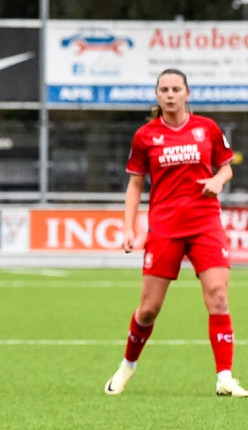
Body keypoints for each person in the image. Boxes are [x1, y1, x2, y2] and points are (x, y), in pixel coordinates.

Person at [104, 68, 246, 398]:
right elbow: (135, 184)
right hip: (165, 227)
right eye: (164, 90)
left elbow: (226, 167)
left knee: (218, 295)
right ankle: (128, 365)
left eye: (176, 89)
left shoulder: (207, 128)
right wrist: (128, 226)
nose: (170, 95)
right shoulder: (145, 136)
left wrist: (217, 180)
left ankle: (225, 377)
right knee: (148, 308)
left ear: (187, 93)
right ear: (157, 95)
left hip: (205, 224)